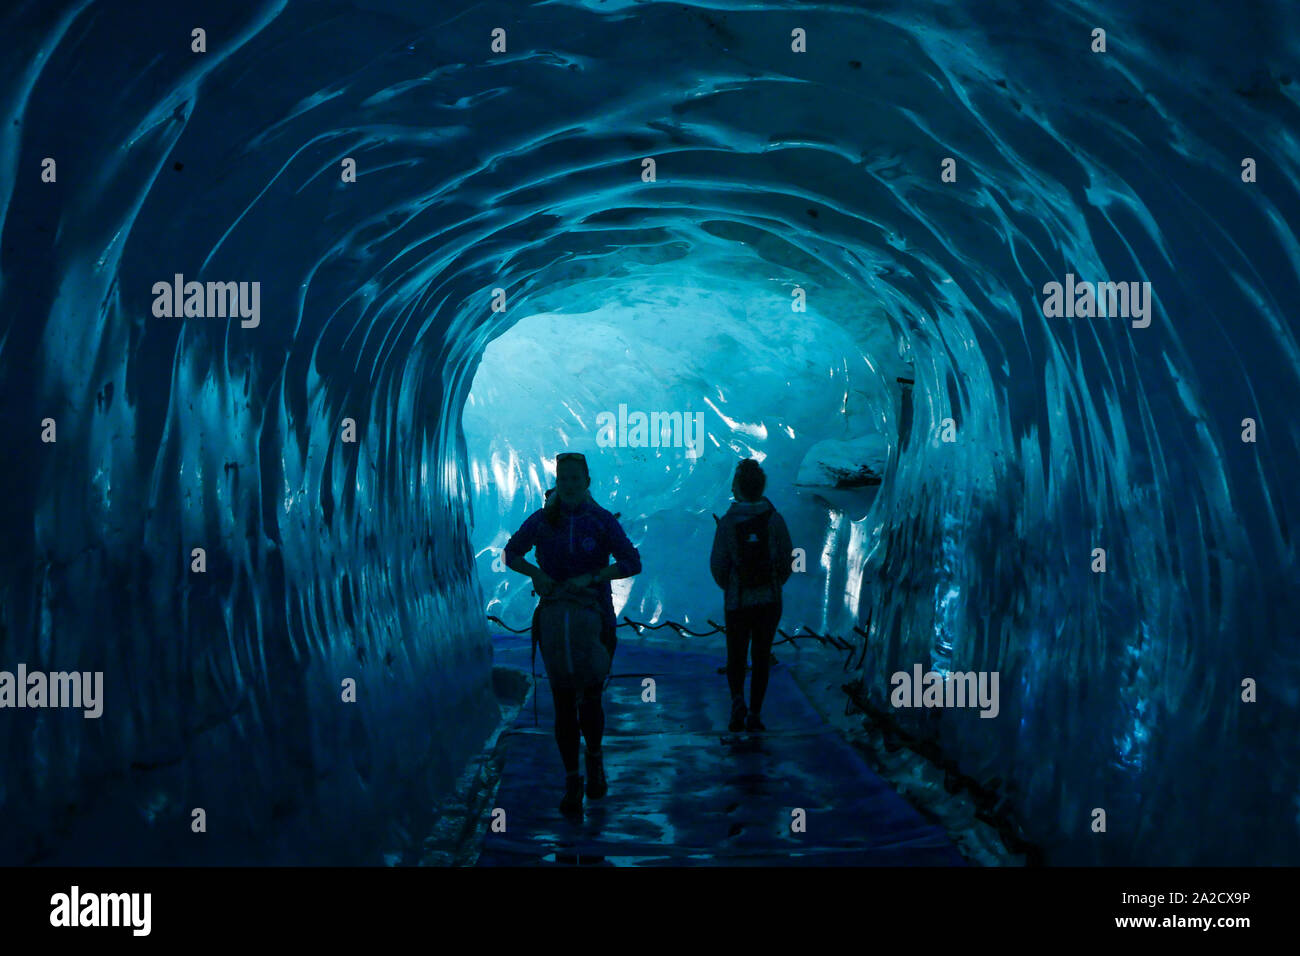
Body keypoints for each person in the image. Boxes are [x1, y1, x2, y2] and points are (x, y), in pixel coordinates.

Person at [504, 452, 641, 816]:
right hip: (554, 621)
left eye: (575, 479)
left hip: (594, 620)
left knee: (590, 697)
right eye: (563, 479)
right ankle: (572, 779)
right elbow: (511, 553)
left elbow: (632, 562)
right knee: (564, 702)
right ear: (557, 480)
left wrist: (594, 577)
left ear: (587, 481)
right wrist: (537, 574)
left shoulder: (600, 521)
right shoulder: (543, 519)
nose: (568, 485)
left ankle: (594, 760)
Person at [710, 458, 793, 732]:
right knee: (761, 655)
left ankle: (737, 702)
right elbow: (786, 559)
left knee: (736, 654)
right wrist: (773, 584)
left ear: (737, 487)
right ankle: (756, 712)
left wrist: (732, 586)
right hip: (769, 600)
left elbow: (718, 565)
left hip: (738, 601)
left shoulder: (727, 522)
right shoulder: (774, 519)